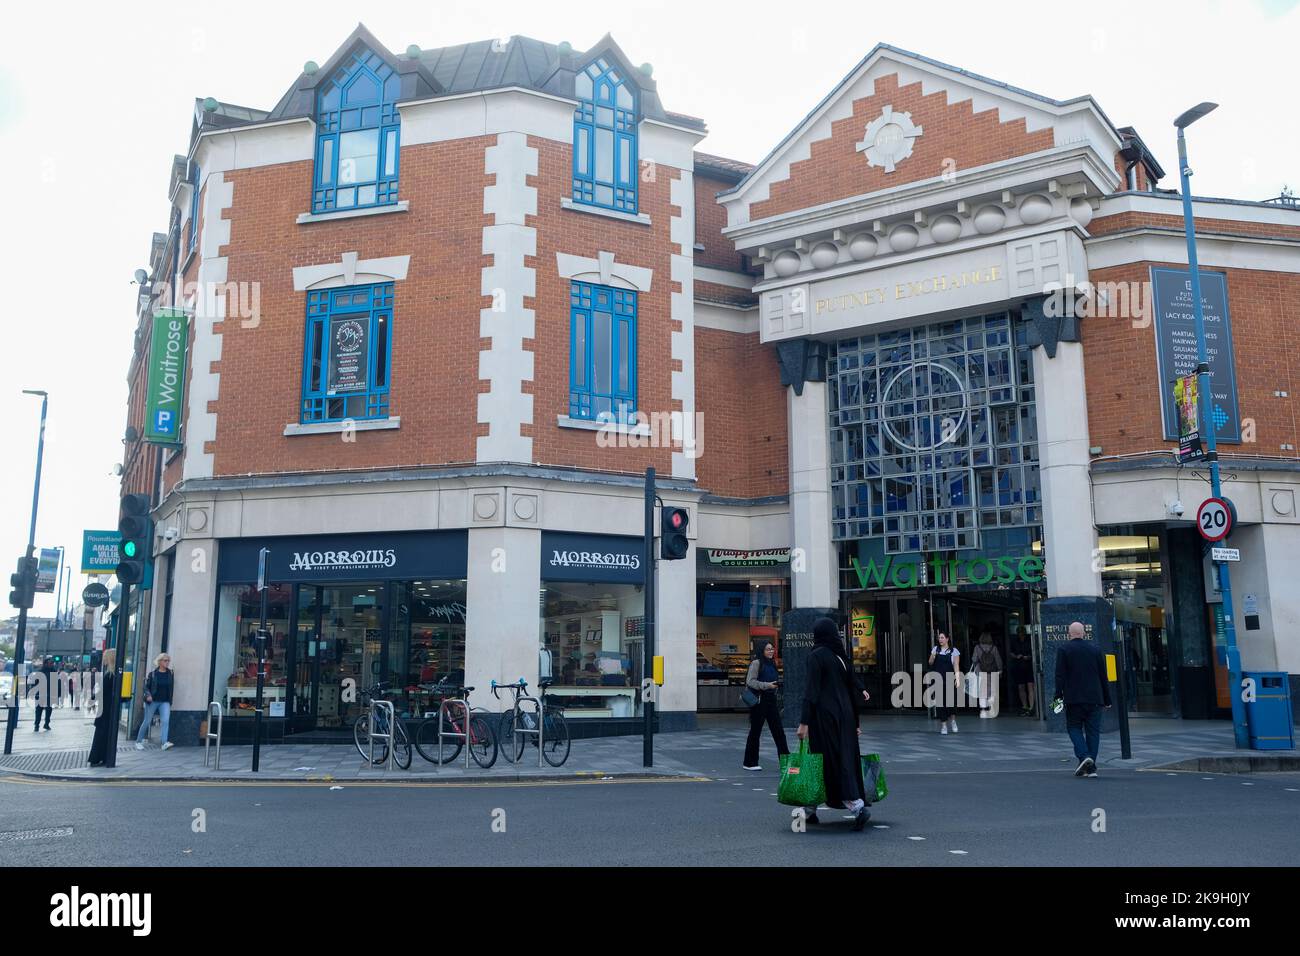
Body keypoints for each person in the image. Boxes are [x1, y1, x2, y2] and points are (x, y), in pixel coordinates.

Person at [796, 618, 871, 830]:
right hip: (845, 715)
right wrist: (856, 721)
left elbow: (811, 692)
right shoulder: (840, 657)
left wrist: (804, 722)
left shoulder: (816, 656)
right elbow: (850, 688)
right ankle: (809, 810)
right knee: (842, 758)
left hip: (825, 717)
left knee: (827, 760)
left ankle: (856, 806)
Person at [1054, 621, 1112, 777]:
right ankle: (1091, 767)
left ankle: (1084, 756)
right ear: (1084, 633)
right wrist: (1107, 699)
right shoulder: (1095, 650)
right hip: (1095, 698)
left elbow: (1060, 676)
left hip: (1074, 699)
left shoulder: (1063, 649)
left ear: (1069, 634)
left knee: (1073, 728)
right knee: (1093, 732)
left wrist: (1058, 698)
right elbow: (1102, 676)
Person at [742, 641, 789, 771]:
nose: (771, 651)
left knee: (779, 731)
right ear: (762, 650)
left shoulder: (772, 663)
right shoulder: (756, 663)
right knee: (755, 732)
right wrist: (768, 685)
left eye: (772, 649)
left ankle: (786, 762)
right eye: (768, 649)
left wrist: (775, 686)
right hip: (759, 701)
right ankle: (749, 762)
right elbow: (750, 682)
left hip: (771, 700)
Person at [135, 653, 175, 751]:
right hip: (153, 701)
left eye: (168, 660)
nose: (167, 662)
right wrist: (148, 695)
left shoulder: (170, 673)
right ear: (159, 662)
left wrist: (170, 700)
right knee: (147, 721)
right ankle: (138, 741)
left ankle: (164, 743)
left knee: (165, 721)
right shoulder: (153, 674)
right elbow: (146, 687)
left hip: (165, 701)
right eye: (165, 660)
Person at [88, 649, 117, 767]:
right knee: (104, 733)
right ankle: (104, 757)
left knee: (101, 732)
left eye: (105, 657)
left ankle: (97, 757)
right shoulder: (113, 673)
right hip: (109, 707)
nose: (103, 659)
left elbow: (102, 691)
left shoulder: (110, 674)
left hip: (105, 708)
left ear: (109, 658)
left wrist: (92, 700)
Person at [928, 632, 961, 734]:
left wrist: (957, 678)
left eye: (942, 638)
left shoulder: (953, 651)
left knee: (951, 703)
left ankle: (953, 721)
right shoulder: (935, 650)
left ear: (947, 639)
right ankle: (944, 726)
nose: (940, 640)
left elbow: (956, 665)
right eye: (939, 638)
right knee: (941, 704)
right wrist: (933, 656)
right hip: (938, 680)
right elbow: (930, 663)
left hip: (950, 679)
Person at [972, 632, 1003, 710]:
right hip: (992, 671)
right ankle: (991, 707)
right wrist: (1000, 669)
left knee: (982, 689)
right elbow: (998, 660)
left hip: (980, 671)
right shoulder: (994, 648)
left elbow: (974, 659)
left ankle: (983, 708)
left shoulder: (977, 647)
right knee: (992, 689)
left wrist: (976, 667)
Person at [1009, 628, 1036, 716]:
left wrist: (1029, 657)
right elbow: (1011, 653)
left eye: (1022, 632)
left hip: (1028, 666)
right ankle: (1025, 707)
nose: (1021, 634)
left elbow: (1034, 652)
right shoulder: (1014, 641)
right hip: (1018, 666)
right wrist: (1017, 656)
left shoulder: (1029, 640)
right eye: (1019, 632)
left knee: (1030, 686)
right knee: (1021, 687)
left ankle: (1031, 708)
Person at [32, 656, 55, 731]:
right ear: (45, 664)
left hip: (50, 695)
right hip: (40, 694)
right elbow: (35, 684)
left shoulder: (53, 672)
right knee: (38, 710)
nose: (52, 664)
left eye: (52, 663)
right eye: (50, 663)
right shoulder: (39, 672)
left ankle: (46, 724)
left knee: (49, 710)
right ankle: (36, 725)